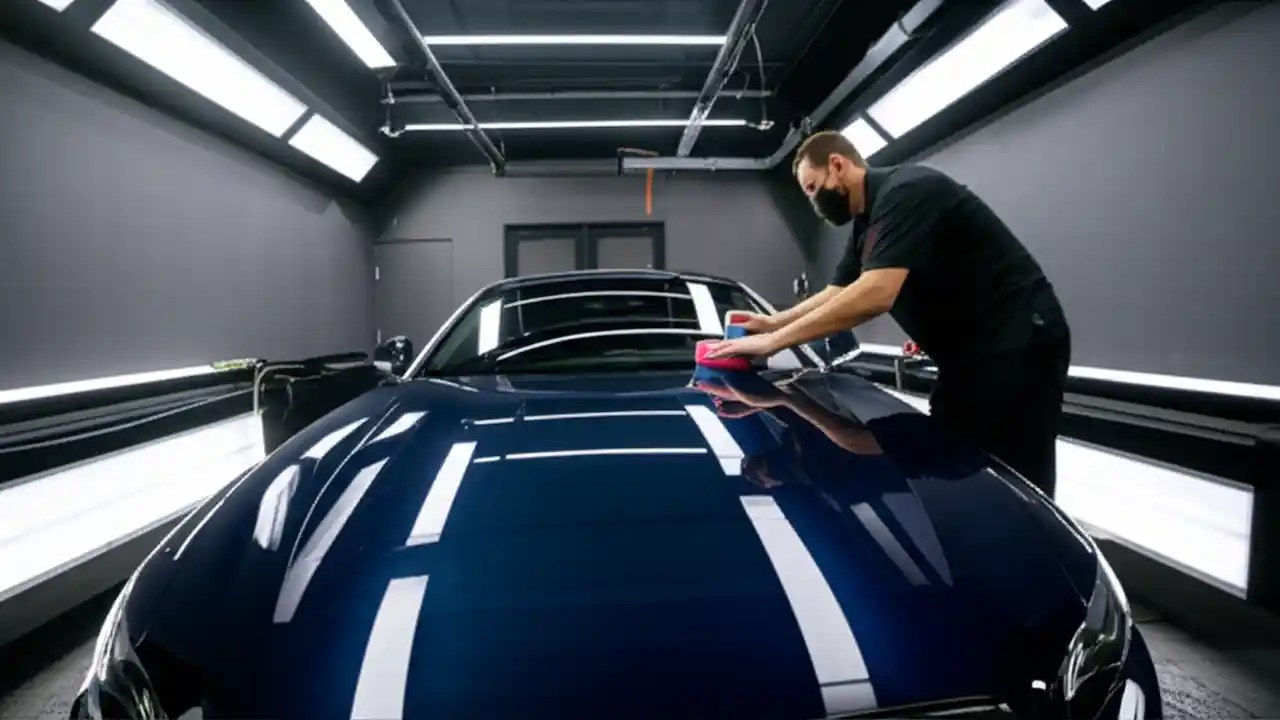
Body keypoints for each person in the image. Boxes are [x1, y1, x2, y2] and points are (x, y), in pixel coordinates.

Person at [705, 130, 1071, 497]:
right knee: (961, 467)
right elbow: (838, 291)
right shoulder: (867, 224)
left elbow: (875, 293)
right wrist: (773, 322)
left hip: (1018, 343)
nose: (815, 202)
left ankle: (1038, 530)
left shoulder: (907, 191)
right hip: (967, 360)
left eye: (813, 188)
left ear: (837, 165)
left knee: (1016, 477)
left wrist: (773, 342)